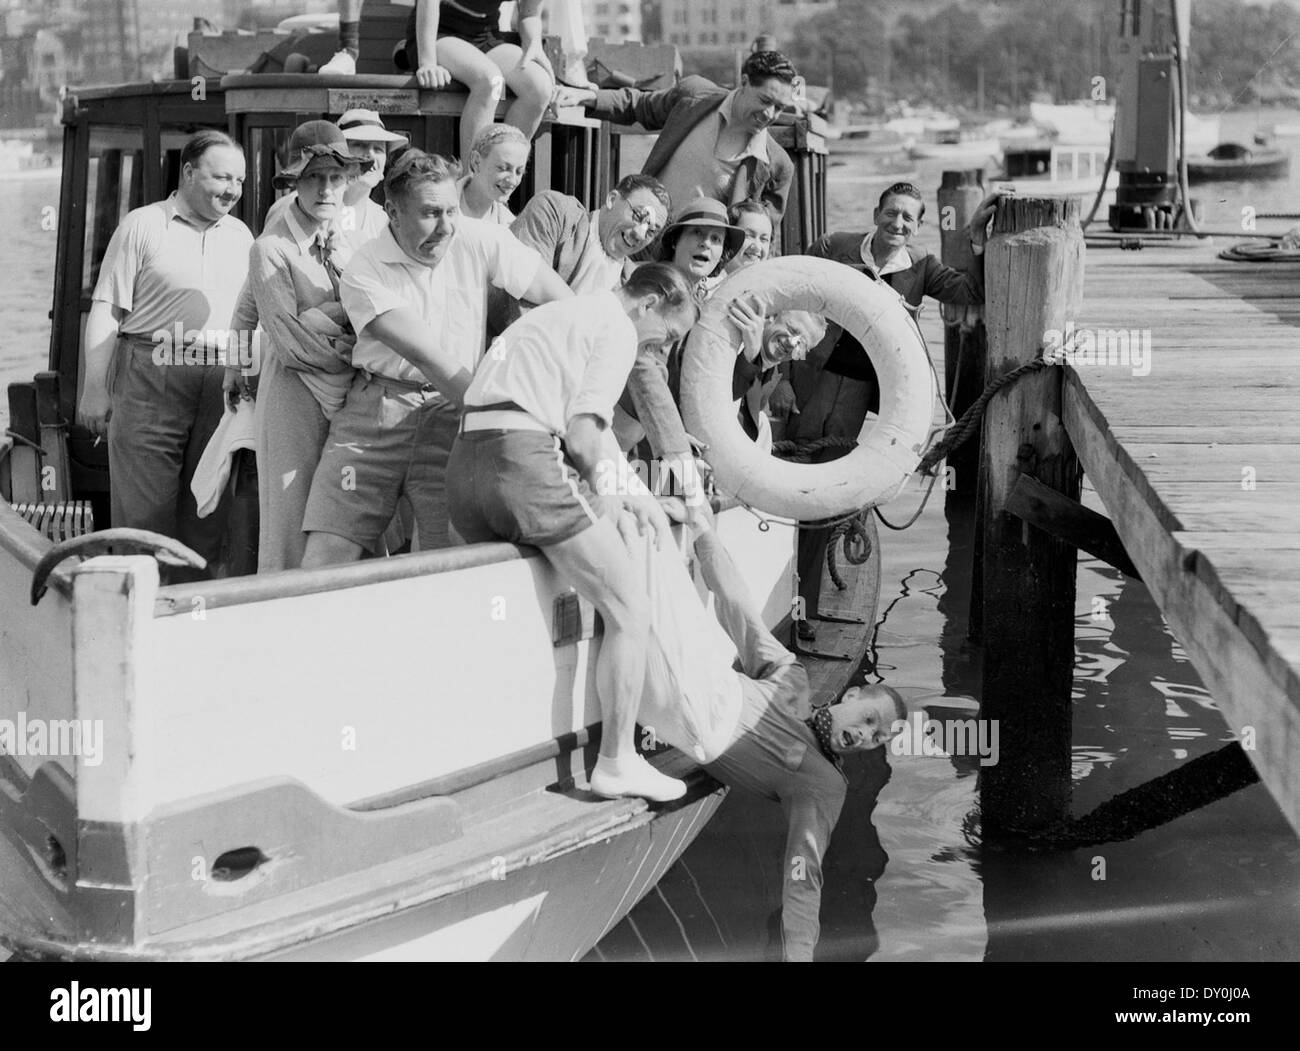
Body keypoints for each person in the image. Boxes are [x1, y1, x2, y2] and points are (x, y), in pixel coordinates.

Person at [446, 265, 700, 802]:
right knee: (631, 610)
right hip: (522, 466)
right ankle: (616, 761)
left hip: (464, 468)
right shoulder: (619, 330)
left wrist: (634, 494)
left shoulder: (556, 315)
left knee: (497, 608)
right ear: (650, 302)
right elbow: (585, 441)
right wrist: (621, 500)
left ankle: (483, 756)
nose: (664, 350)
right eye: (670, 335)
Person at [642, 506, 906, 961]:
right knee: (655, 557)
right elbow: (739, 610)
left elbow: (804, 872)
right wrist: (704, 529)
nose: (865, 736)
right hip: (705, 682)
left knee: (643, 574)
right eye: (868, 720)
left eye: (877, 738)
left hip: (701, 719)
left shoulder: (824, 786)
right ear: (852, 696)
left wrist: (799, 954)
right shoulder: (793, 677)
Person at [298, 149, 572, 567]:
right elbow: (431, 359)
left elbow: (563, 305)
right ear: (392, 211)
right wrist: (514, 421)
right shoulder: (364, 270)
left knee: (452, 562)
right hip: (378, 416)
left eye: (451, 211)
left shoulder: (480, 238)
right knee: (325, 557)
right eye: (430, 213)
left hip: (455, 418)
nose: (446, 227)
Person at [786, 181, 999, 635]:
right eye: (891, 213)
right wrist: (781, 376)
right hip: (813, 377)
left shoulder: (920, 266)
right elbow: (790, 293)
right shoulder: (834, 247)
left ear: (919, 225)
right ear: (876, 212)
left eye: (908, 217)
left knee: (824, 491)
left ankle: (802, 600)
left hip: (862, 390)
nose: (897, 223)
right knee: (791, 473)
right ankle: (781, 594)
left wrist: (975, 239)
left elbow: (970, 291)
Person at [76, 130, 253, 581]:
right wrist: (94, 390)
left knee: (208, 507)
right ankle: (143, 615)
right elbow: (107, 311)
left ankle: (193, 617)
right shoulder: (142, 224)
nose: (232, 189)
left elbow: (250, 317)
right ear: (189, 172)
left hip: (220, 379)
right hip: (152, 372)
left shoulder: (241, 235)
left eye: (239, 180)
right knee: (145, 511)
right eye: (221, 177)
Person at [227, 121, 369, 573]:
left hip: (342, 400)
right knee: (289, 515)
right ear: (295, 181)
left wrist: (323, 320)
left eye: (335, 179)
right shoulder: (271, 247)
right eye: (314, 178)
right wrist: (353, 351)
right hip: (294, 396)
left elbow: (250, 304)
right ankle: (281, 618)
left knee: (342, 512)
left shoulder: (347, 246)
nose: (326, 189)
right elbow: (291, 345)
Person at [556, 50, 800, 222]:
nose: (770, 114)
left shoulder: (778, 165)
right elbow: (639, 105)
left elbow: (760, 238)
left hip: (696, 264)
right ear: (744, 82)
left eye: (779, 107)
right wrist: (589, 97)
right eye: (765, 101)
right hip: (640, 233)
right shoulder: (694, 95)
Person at [399, 1, 555, 161]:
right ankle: (472, 177)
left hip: (486, 34)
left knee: (540, 89)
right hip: (440, 31)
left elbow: (530, 14)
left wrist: (535, 45)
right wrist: (428, 62)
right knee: (491, 80)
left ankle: (502, 167)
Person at [508, 172, 670, 295]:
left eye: (651, 231)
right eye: (638, 215)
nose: (640, 234)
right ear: (612, 199)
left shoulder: (631, 282)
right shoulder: (557, 212)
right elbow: (522, 277)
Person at [265, 109, 406, 249]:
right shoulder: (296, 206)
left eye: (378, 149)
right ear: (341, 155)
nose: (370, 156)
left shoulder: (382, 220)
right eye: (359, 145)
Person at [459, 123, 529, 225]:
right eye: (503, 168)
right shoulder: (441, 203)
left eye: (519, 172)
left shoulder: (510, 226)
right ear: (476, 161)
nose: (513, 180)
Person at [725, 198, 774, 274]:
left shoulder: (774, 284)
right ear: (727, 238)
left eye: (763, 239)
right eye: (749, 236)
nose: (757, 247)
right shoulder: (707, 284)